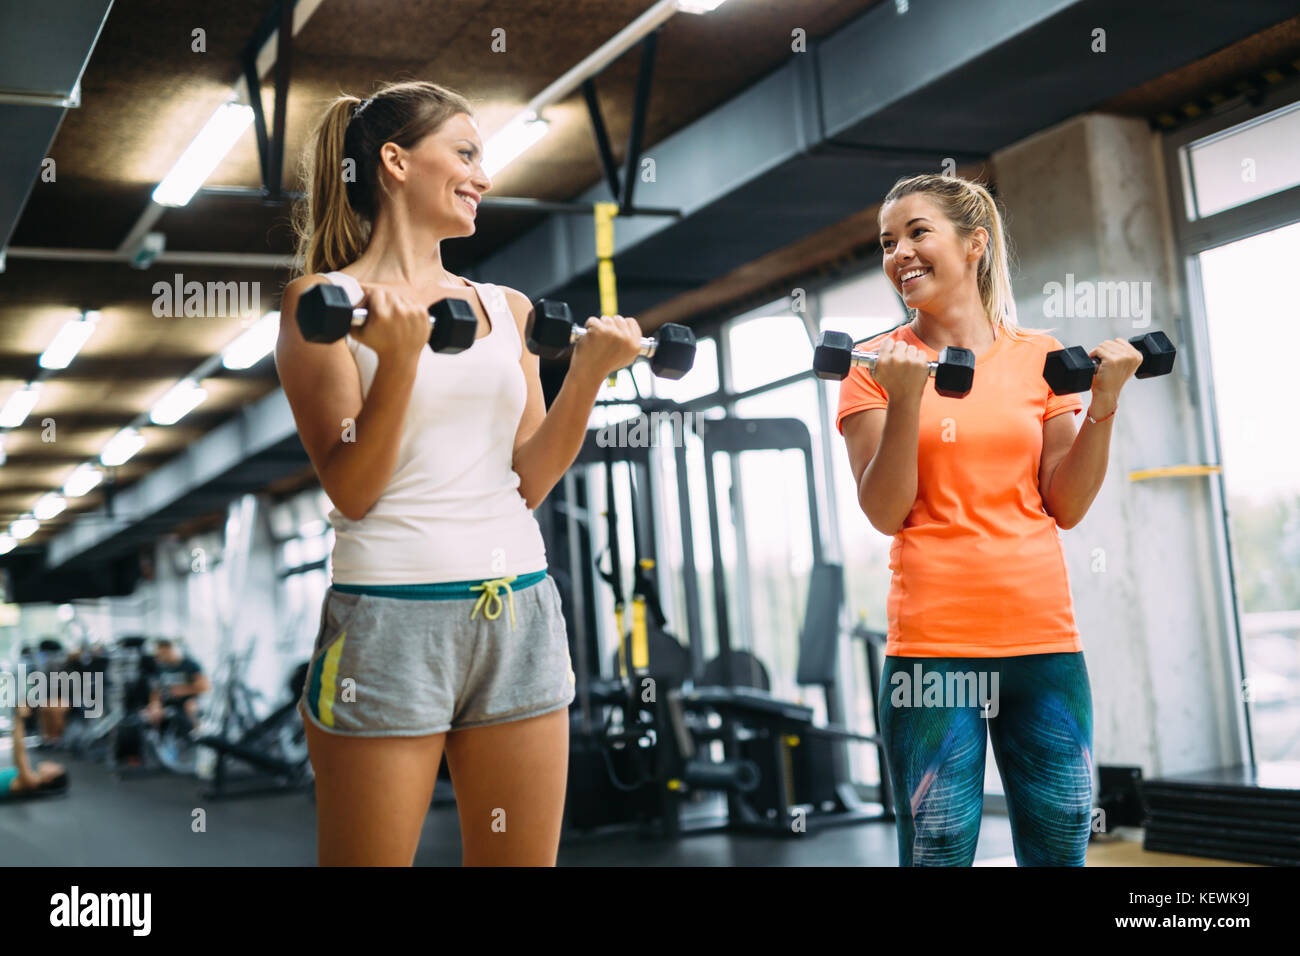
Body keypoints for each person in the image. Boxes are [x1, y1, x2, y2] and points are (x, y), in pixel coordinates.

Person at [277, 80, 646, 866]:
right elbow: (353, 488)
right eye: (467, 154)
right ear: (395, 162)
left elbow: (531, 478)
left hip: (518, 611)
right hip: (389, 622)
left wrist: (585, 376)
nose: (484, 176)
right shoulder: (324, 305)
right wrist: (402, 361)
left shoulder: (504, 308)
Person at [836, 173, 1144, 866]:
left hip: (1042, 641)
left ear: (974, 245)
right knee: (938, 847)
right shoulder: (873, 366)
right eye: (888, 242)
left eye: (918, 233)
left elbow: (1065, 503)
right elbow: (885, 511)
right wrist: (906, 398)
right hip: (934, 651)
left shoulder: (1039, 356)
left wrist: (1104, 404)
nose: (900, 254)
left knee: (1063, 840)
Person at [140, 639, 209, 735]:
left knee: (191, 706)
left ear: (170, 650)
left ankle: (195, 736)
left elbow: (205, 686)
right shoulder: (160, 668)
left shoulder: (189, 665)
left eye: (162, 653)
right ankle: (157, 740)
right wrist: (155, 703)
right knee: (148, 713)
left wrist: (180, 690)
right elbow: (155, 690)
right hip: (167, 702)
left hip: (187, 701)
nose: (160, 656)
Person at [0, 705, 68, 800]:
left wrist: (19, 718)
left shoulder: (30, 782)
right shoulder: (28, 777)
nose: (51, 763)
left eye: (54, 767)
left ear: (49, 778)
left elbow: (19, 753)